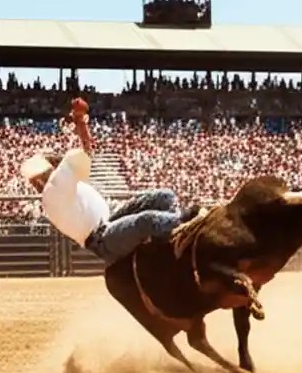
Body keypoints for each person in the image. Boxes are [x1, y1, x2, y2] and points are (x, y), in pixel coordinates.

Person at [19, 99, 199, 266]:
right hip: (104, 239)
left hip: (110, 222)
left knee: (163, 197)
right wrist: (81, 123)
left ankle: (169, 237)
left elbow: (78, 157)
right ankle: (187, 223)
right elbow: (86, 152)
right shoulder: (54, 188)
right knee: (147, 220)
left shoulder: (57, 188)